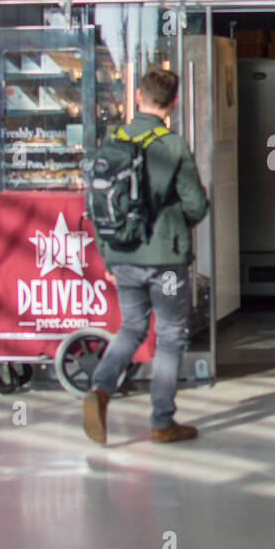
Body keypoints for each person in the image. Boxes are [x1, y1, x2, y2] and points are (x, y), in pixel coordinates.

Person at [83, 67, 208, 444]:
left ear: (137, 97)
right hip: (165, 261)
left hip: (122, 254)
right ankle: (161, 422)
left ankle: (101, 389)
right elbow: (197, 206)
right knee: (170, 335)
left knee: (132, 328)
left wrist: (108, 257)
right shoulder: (172, 146)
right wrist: (173, 219)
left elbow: (98, 205)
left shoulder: (113, 141)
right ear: (174, 103)